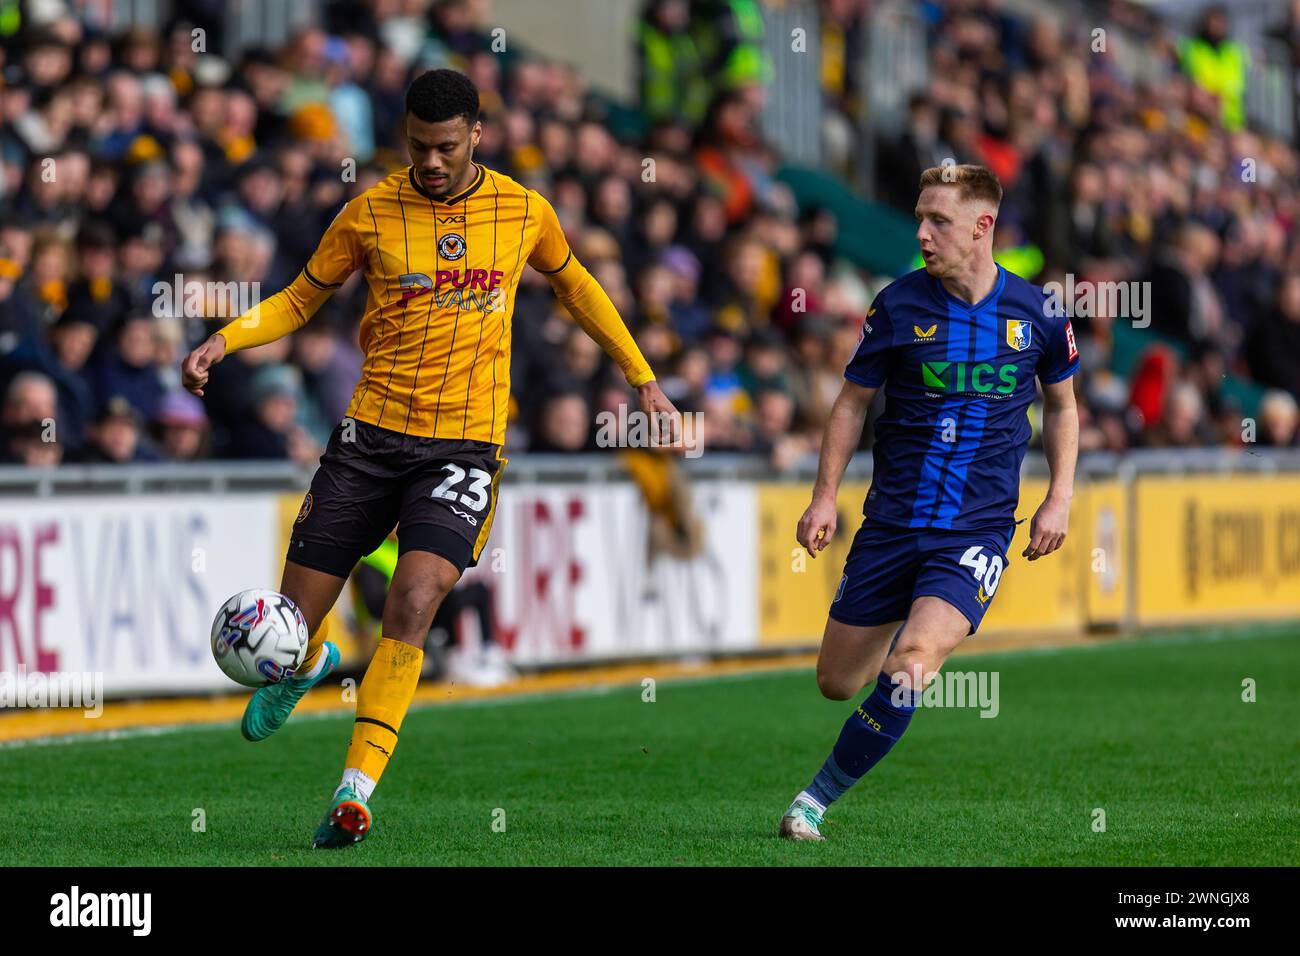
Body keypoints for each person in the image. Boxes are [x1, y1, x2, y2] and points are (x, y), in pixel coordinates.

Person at [181, 68, 679, 850]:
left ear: (477, 133)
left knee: (414, 595)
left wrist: (642, 379)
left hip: (463, 445)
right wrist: (224, 337)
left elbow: (577, 287)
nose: (433, 162)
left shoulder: (522, 210)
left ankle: (354, 790)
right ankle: (306, 663)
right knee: (288, 627)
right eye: (419, 147)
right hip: (368, 440)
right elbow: (300, 297)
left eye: (447, 147)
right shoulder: (371, 212)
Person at [780, 165, 1079, 841]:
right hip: (890, 524)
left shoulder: (1038, 312)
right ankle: (885, 659)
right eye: (919, 217)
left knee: (913, 663)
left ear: (983, 227)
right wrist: (825, 497)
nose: (921, 232)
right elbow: (852, 402)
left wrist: (1058, 499)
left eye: (938, 221)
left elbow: (1064, 408)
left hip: (975, 531)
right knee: (836, 681)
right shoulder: (896, 306)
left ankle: (813, 801)